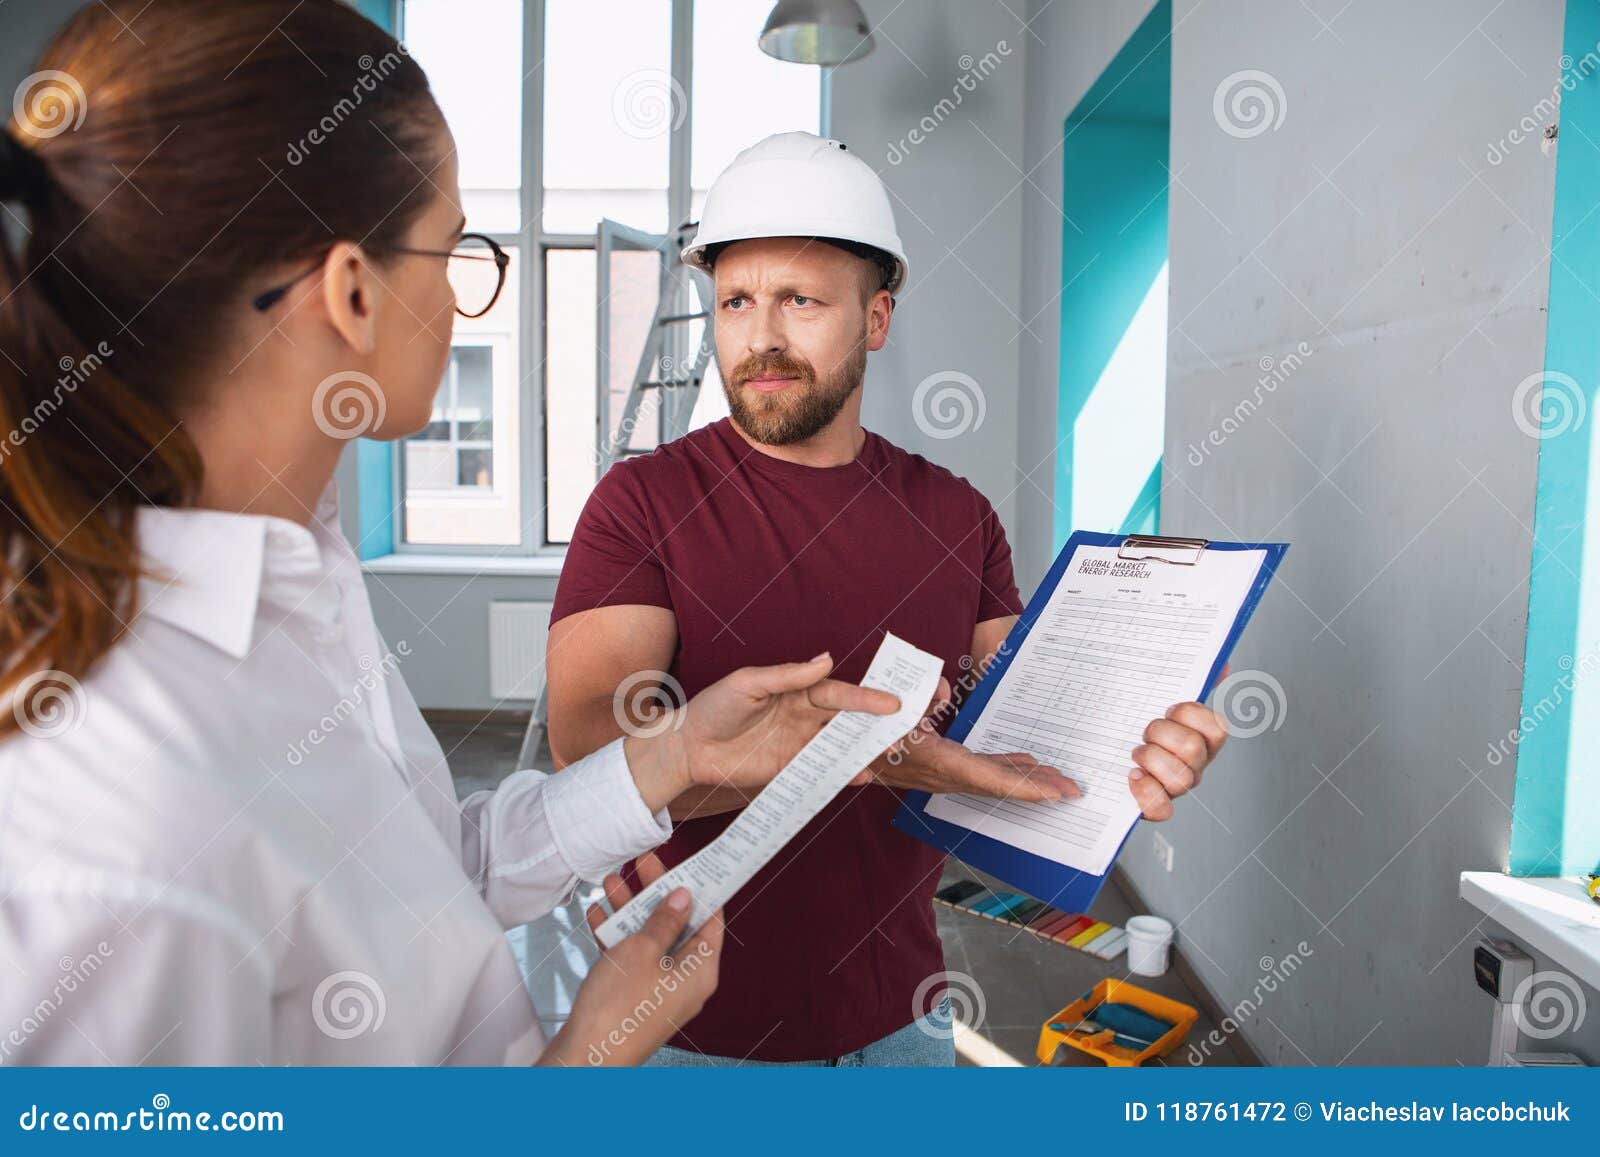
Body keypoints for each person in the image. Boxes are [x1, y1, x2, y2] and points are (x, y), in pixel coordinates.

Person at [0, 0, 910, 1066]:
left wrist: (669, 754)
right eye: (452, 244)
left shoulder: (295, 587)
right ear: (353, 292)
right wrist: (592, 1047)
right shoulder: (115, 827)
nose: (460, 289)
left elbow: (419, 874)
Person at [547, 132, 1230, 1066]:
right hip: (684, 1026)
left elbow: (1020, 736)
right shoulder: (642, 503)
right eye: (736, 300)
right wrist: (856, 757)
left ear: (876, 319)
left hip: (901, 1019)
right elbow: (587, 744)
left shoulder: (958, 516)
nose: (763, 337)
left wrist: (1135, 750)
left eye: (801, 301)